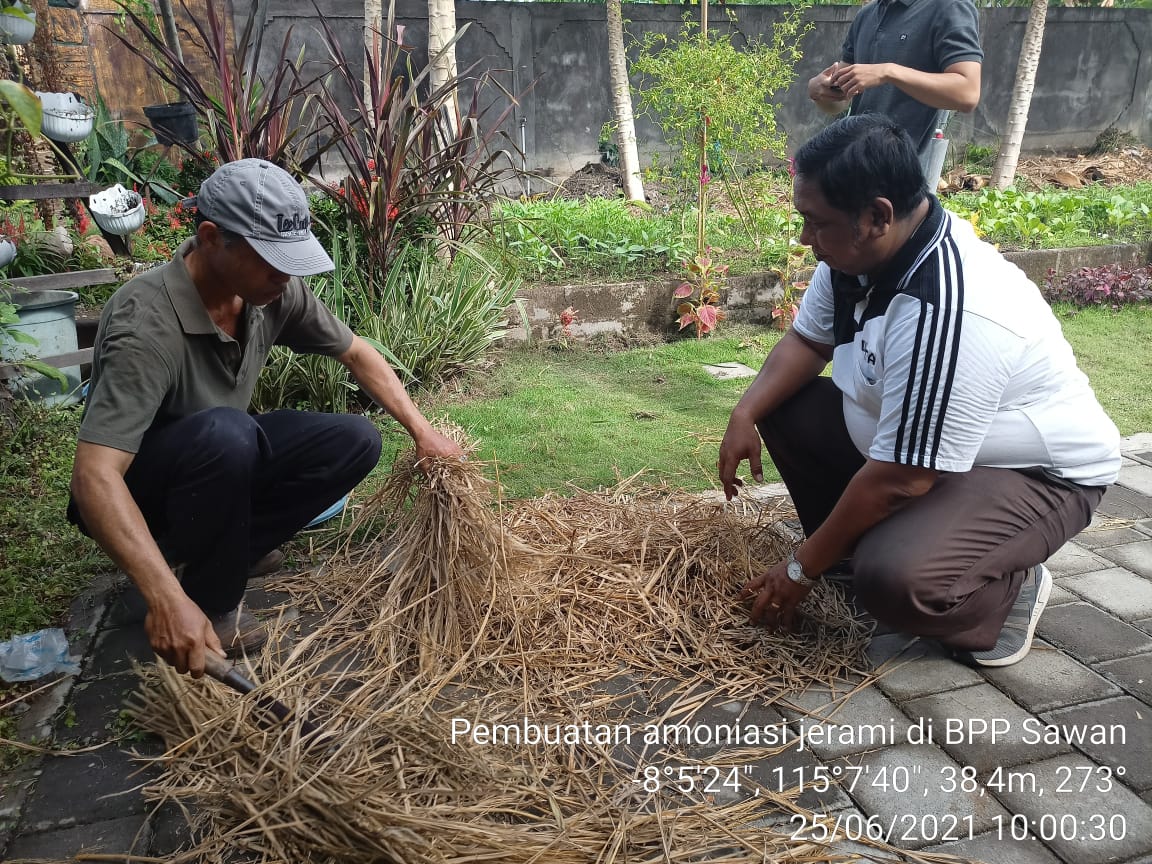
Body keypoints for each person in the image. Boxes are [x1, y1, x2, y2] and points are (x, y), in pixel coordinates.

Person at [718, 116, 1119, 667]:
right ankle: (848, 550)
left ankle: (1004, 589)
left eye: (815, 223)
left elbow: (904, 478)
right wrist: (744, 412)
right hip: (927, 453)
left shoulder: (951, 305)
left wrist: (798, 568)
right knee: (785, 405)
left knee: (894, 581)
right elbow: (807, 342)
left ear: (877, 216)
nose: (805, 240)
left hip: (1033, 473)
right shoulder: (858, 255)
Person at [68, 158, 463, 679]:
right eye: (271, 261)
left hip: (220, 458)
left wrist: (423, 431)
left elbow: (358, 353)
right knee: (228, 434)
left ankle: (225, 554)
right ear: (211, 238)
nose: (287, 276)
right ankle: (206, 599)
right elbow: (94, 476)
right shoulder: (147, 323)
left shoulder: (270, 291)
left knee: (356, 440)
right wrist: (163, 598)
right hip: (147, 489)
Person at [807, 0, 982, 163]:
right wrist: (821, 92)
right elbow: (840, 103)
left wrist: (889, 72)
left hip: (903, 173)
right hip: (856, 164)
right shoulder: (866, 15)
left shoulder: (949, 7)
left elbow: (967, 93)